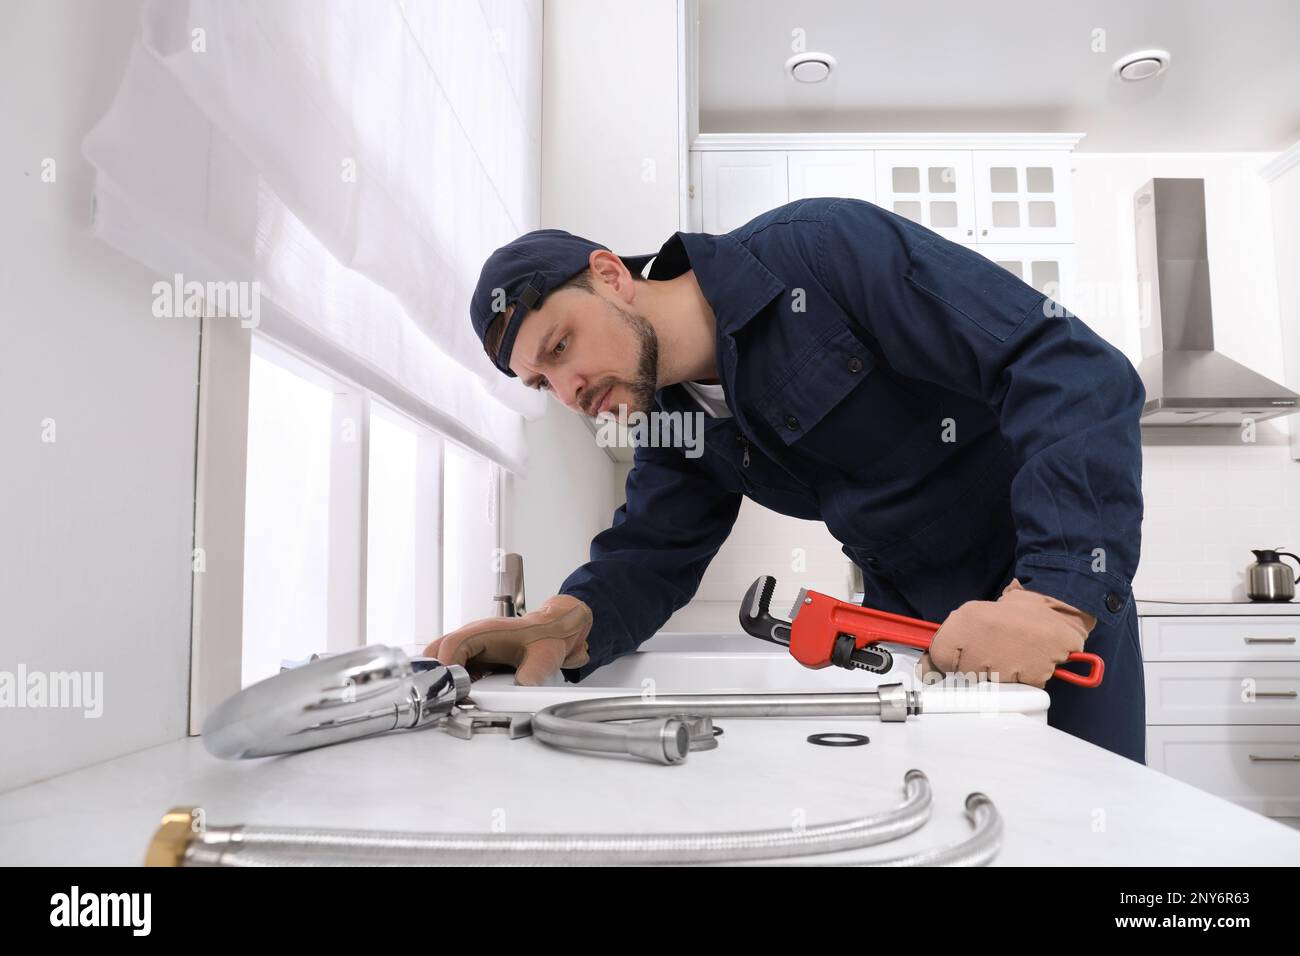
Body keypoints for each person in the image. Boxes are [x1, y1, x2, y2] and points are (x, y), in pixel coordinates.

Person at [424, 197, 1147, 762]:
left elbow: (1066, 366)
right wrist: (566, 622)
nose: (570, 388)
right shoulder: (673, 419)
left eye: (561, 345)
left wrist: (1051, 599)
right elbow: (652, 552)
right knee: (956, 828)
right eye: (541, 382)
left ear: (612, 275)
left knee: (1087, 829)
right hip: (907, 628)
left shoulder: (824, 250)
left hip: (1047, 582)